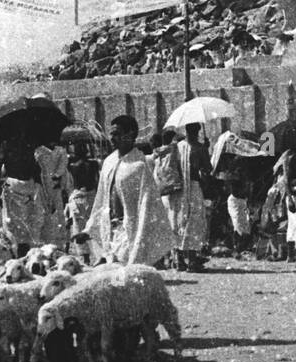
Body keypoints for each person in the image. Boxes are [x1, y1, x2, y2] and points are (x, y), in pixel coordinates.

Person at [86, 115, 175, 266]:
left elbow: (148, 206)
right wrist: (89, 229)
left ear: (131, 135)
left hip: (129, 232)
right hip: (109, 229)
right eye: (111, 133)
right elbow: (101, 198)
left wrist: (142, 238)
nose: (112, 137)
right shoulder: (108, 162)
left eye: (117, 134)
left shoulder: (139, 166)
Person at [164, 122, 212, 271]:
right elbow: (207, 169)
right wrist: (206, 149)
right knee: (193, 222)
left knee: (178, 222)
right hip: (193, 188)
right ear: (198, 131)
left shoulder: (177, 147)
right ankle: (191, 261)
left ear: (186, 130)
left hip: (178, 190)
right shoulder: (200, 148)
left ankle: (178, 260)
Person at [0, 138, 43, 253]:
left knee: (19, 226)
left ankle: (21, 253)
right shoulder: (26, 146)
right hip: (20, 188)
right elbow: (36, 171)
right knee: (19, 226)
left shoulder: (7, 146)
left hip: (21, 188)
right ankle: (19, 253)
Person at [64, 141, 100, 241]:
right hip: (91, 195)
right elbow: (97, 180)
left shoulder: (72, 166)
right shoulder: (94, 164)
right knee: (92, 225)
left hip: (78, 197)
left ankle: (85, 256)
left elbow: (71, 183)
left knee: (79, 226)